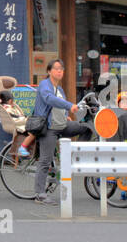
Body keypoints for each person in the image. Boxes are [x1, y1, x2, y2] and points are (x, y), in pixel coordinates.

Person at [31, 59, 94, 205]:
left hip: (62, 125)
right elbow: (49, 99)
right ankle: (40, 194)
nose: (60, 71)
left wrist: (66, 114)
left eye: (62, 69)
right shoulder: (44, 85)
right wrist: (69, 105)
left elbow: (60, 106)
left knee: (87, 127)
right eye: (56, 68)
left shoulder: (60, 89)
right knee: (45, 161)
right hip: (49, 128)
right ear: (49, 71)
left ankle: (75, 158)